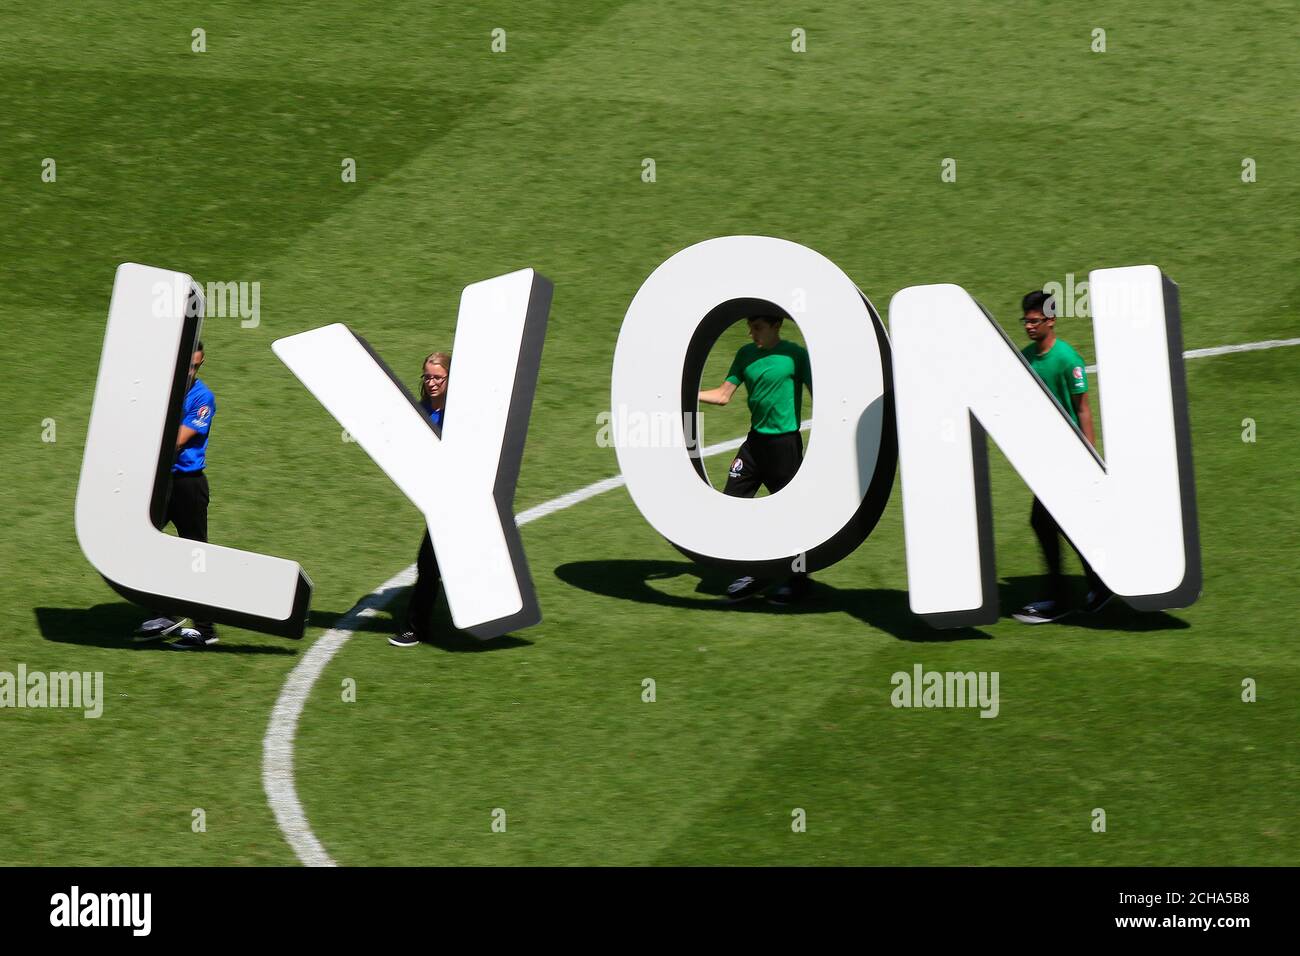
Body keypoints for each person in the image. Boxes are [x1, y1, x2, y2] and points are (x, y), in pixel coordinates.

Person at [1012, 290, 1114, 624]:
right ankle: (1099, 585)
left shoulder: (1068, 359)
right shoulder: (1025, 357)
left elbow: (1083, 409)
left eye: (1035, 320)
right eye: (1025, 320)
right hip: (1045, 457)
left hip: (1069, 456)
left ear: (1051, 320)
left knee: (1046, 521)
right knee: (1062, 523)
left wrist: (1091, 455)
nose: (1028, 326)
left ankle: (1061, 597)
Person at [698, 314, 813, 604]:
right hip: (754, 444)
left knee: (791, 516)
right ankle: (756, 571)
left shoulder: (795, 355)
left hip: (784, 445)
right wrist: (685, 393)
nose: (751, 333)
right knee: (731, 506)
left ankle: (796, 580)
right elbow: (724, 395)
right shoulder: (745, 354)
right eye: (749, 327)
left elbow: (823, 395)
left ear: (777, 326)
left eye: (758, 327)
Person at [136, 341, 220, 648]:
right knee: (145, 541)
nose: (190, 371)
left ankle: (206, 630)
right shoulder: (162, 391)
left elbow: (176, 441)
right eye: (187, 364)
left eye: (196, 366)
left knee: (196, 555)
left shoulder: (202, 398)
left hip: (187, 485)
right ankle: (165, 614)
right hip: (160, 483)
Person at [391, 351, 451, 647]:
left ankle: (416, 629)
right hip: (437, 502)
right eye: (427, 376)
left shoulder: (460, 414)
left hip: (457, 501)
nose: (431, 382)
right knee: (432, 564)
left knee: (429, 564)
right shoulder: (420, 411)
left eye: (437, 377)